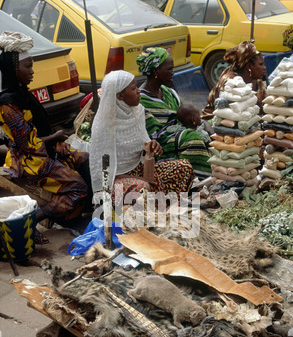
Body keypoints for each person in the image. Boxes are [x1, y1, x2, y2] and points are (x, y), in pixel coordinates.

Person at [0, 31, 91, 243]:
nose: (32, 71)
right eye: (28, 66)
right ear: (14, 69)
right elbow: (27, 144)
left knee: (86, 159)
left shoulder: (22, 93)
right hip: (28, 159)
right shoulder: (7, 104)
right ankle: (32, 220)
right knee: (78, 186)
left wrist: (55, 138)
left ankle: (84, 211)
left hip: (46, 147)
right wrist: (56, 136)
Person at [89, 69, 195, 209]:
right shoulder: (104, 126)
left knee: (184, 167)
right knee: (143, 189)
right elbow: (103, 173)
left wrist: (151, 146)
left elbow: (144, 145)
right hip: (115, 183)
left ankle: (170, 208)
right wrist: (136, 179)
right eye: (133, 89)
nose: (139, 91)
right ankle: (156, 216)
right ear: (120, 96)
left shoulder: (137, 112)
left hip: (140, 170)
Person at [136, 47, 212, 179]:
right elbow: (151, 136)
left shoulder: (169, 92)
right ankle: (198, 179)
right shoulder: (141, 100)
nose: (173, 72)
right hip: (162, 148)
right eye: (169, 69)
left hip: (180, 133)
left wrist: (203, 124)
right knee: (191, 139)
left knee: (212, 123)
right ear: (155, 71)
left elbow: (185, 117)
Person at [201, 40, 267, 121]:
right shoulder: (230, 83)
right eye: (261, 64)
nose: (264, 68)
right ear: (249, 66)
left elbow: (265, 104)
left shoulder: (256, 80)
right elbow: (230, 115)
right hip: (217, 124)